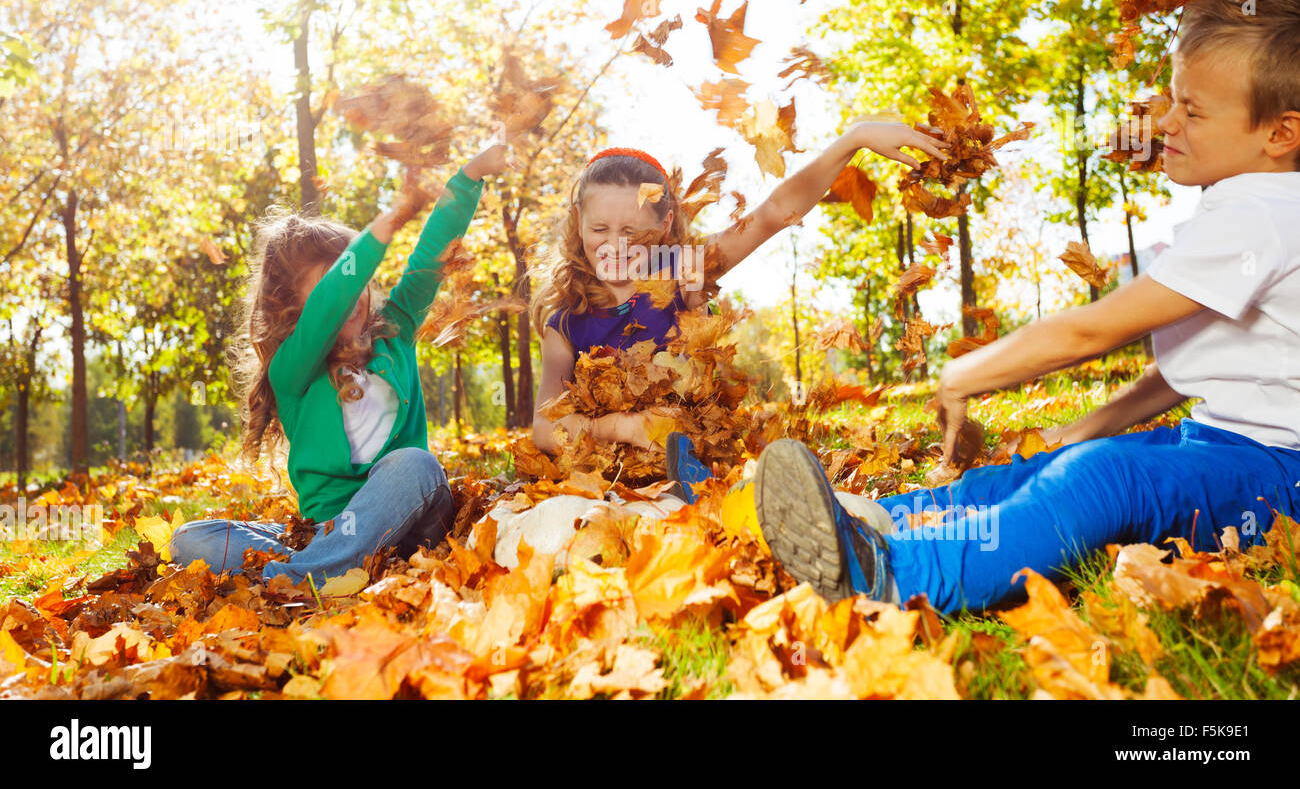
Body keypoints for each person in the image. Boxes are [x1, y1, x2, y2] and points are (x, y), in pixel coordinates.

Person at [754, 0, 1300, 614]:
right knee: (1028, 475)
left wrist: (963, 374)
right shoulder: (1252, 203)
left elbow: (1091, 333)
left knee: (1101, 482)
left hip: (1280, 477)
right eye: (1172, 100)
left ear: (1282, 133)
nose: (1166, 122)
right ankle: (855, 520)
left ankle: (898, 573)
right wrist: (1084, 428)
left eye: (1194, 111)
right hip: (1221, 444)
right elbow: (1198, 362)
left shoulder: (1262, 213)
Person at [528, 124, 948, 501]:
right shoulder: (566, 321)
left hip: (695, 466)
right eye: (599, 229)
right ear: (580, 219)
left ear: (665, 224)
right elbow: (545, 430)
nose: (614, 246)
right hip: (608, 481)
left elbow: (774, 213)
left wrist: (854, 138)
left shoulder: (685, 271)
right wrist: (624, 427)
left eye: (632, 233)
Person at [168, 143, 511, 585]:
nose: (353, 298)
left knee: (414, 463)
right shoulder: (292, 370)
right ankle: (327, 563)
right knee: (191, 539)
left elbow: (429, 261)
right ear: (294, 306)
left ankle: (303, 577)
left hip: (415, 526)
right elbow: (326, 310)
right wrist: (384, 225)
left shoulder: (396, 329)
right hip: (327, 531)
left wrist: (469, 176)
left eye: (360, 283)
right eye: (335, 287)